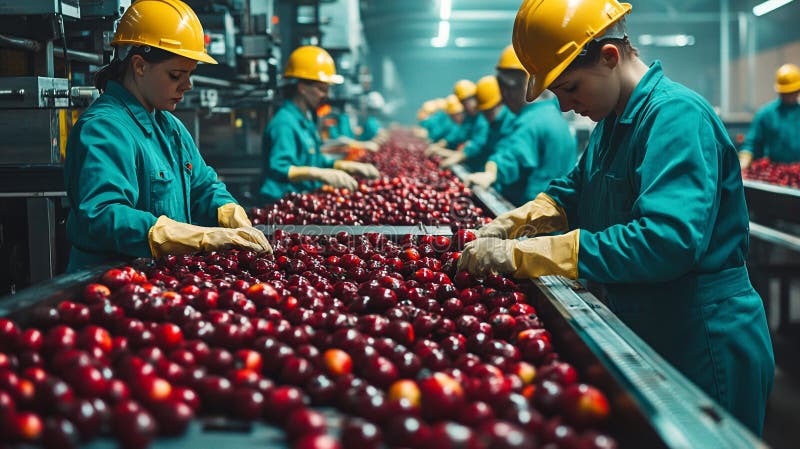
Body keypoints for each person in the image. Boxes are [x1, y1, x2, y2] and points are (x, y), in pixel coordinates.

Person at [459, 0, 774, 435]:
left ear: (610, 57)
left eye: (570, 88)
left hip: (702, 333)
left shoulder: (675, 117)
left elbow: (666, 241)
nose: (566, 107)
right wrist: (521, 219)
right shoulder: (614, 120)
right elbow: (578, 187)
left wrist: (528, 255)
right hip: (652, 320)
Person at [64, 0, 272, 272]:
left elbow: (204, 187)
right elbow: (103, 217)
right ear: (139, 66)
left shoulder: (170, 127)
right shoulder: (103, 129)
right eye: (176, 74)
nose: (187, 85)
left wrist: (228, 212)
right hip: (111, 285)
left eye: (190, 74)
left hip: (162, 279)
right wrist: (202, 237)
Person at [259, 45, 379, 203]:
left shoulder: (306, 119)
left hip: (302, 198)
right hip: (281, 202)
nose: (326, 95)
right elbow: (279, 167)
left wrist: (345, 166)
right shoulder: (284, 123)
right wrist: (319, 174)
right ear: (302, 87)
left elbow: (315, 160)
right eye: (321, 89)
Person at [465, 45, 576, 206]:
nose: (505, 97)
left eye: (507, 89)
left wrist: (491, 173)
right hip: (558, 211)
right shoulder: (551, 113)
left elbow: (515, 153)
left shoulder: (532, 121)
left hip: (539, 217)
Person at [440, 75, 517, 173]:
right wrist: (447, 144)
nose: (466, 106)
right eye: (463, 102)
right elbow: (463, 133)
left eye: (466, 101)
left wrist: (491, 173)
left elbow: (504, 150)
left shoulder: (509, 120)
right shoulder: (476, 118)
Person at [738, 63, 800, 170]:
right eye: (786, 93)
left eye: (792, 92)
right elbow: (751, 144)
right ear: (779, 91)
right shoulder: (766, 114)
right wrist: (742, 165)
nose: (789, 96)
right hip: (776, 174)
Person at [428, 80, 489, 158]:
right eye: (463, 102)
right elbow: (458, 134)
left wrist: (445, 153)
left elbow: (476, 144)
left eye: (469, 100)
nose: (467, 105)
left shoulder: (483, 118)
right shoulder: (469, 119)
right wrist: (441, 145)